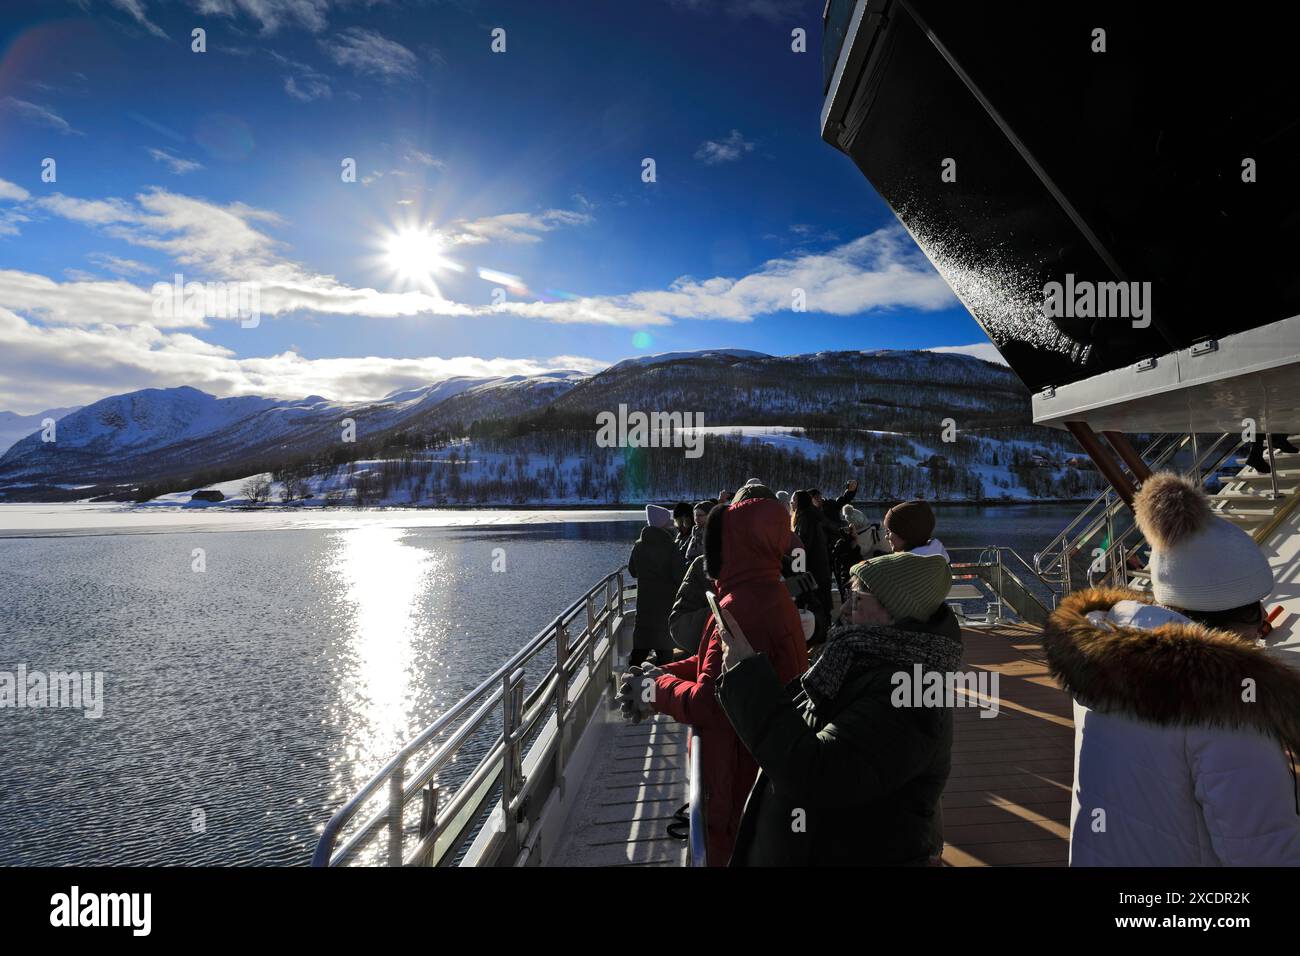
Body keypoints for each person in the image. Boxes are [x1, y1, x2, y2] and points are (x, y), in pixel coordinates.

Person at [1042, 471, 1300, 866]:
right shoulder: (1227, 705)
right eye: (1253, 609)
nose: (1263, 622)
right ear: (1221, 621)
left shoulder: (1104, 661)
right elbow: (1265, 852)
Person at [715, 551, 960, 865]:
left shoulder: (911, 696)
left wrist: (747, 678)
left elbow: (818, 775)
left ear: (895, 611)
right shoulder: (856, 660)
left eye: (857, 599)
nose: (844, 607)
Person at [622, 490, 808, 865]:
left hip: (737, 774)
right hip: (752, 764)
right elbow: (711, 662)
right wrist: (660, 673)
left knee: (726, 852)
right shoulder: (764, 593)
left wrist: (655, 690)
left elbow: (711, 702)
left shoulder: (742, 608)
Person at [627, 504, 687, 667]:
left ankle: (631, 682)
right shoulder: (670, 546)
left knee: (640, 650)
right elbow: (679, 575)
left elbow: (632, 571)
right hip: (665, 604)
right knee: (665, 651)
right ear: (662, 523)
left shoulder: (639, 546)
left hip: (645, 604)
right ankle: (661, 685)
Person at [791, 490, 834, 640]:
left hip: (812, 571)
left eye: (793, 500)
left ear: (799, 502)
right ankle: (826, 634)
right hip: (821, 568)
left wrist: (790, 560)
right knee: (823, 603)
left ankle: (821, 638)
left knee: (815, 604)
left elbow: (802, 546)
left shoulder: (805, 518)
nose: (791, 503)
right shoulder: (814, 515)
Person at [832, 504, 885, 599]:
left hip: (857, 588)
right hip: (876, 585)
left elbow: (842, 576)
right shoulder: (879, 534)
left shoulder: (848, 547)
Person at [883, 499, 950, 562]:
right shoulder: (937, 556)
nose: (886, 537)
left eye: (889, 531)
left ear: (906, 533)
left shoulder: (899, 567)